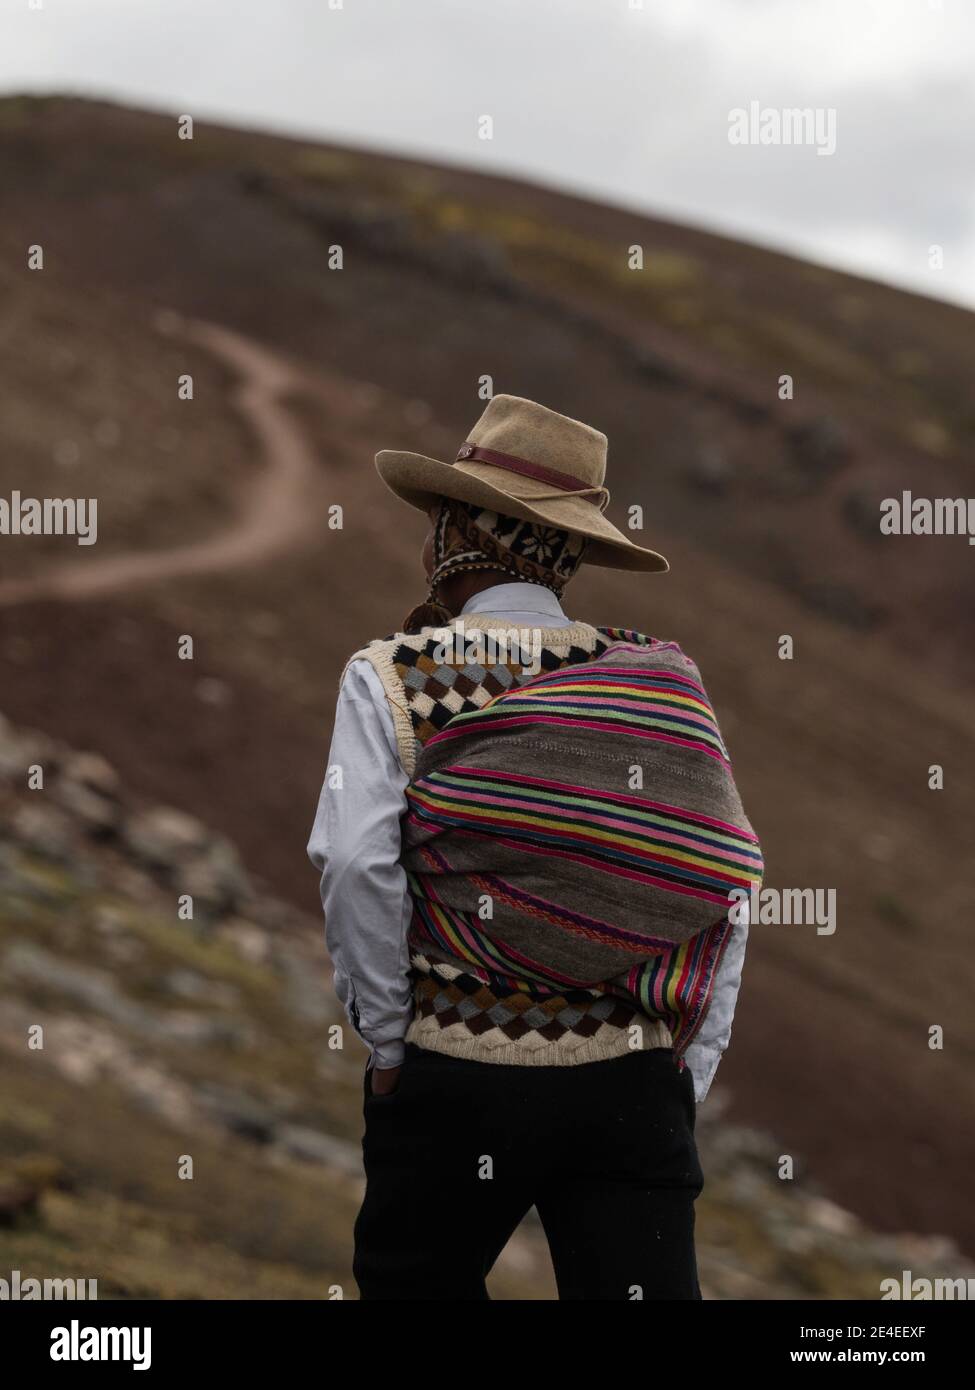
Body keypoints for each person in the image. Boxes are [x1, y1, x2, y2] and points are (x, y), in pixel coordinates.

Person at [307, 394, 756, 1300]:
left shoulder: (395, 674)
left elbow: (356, 862)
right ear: (569, 553)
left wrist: (391, 1044)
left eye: (439, 519)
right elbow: (719, 881)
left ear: (458, 535)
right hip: (627, 1082)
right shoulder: (657, 680)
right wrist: (683, 1074)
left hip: (456, 1071)